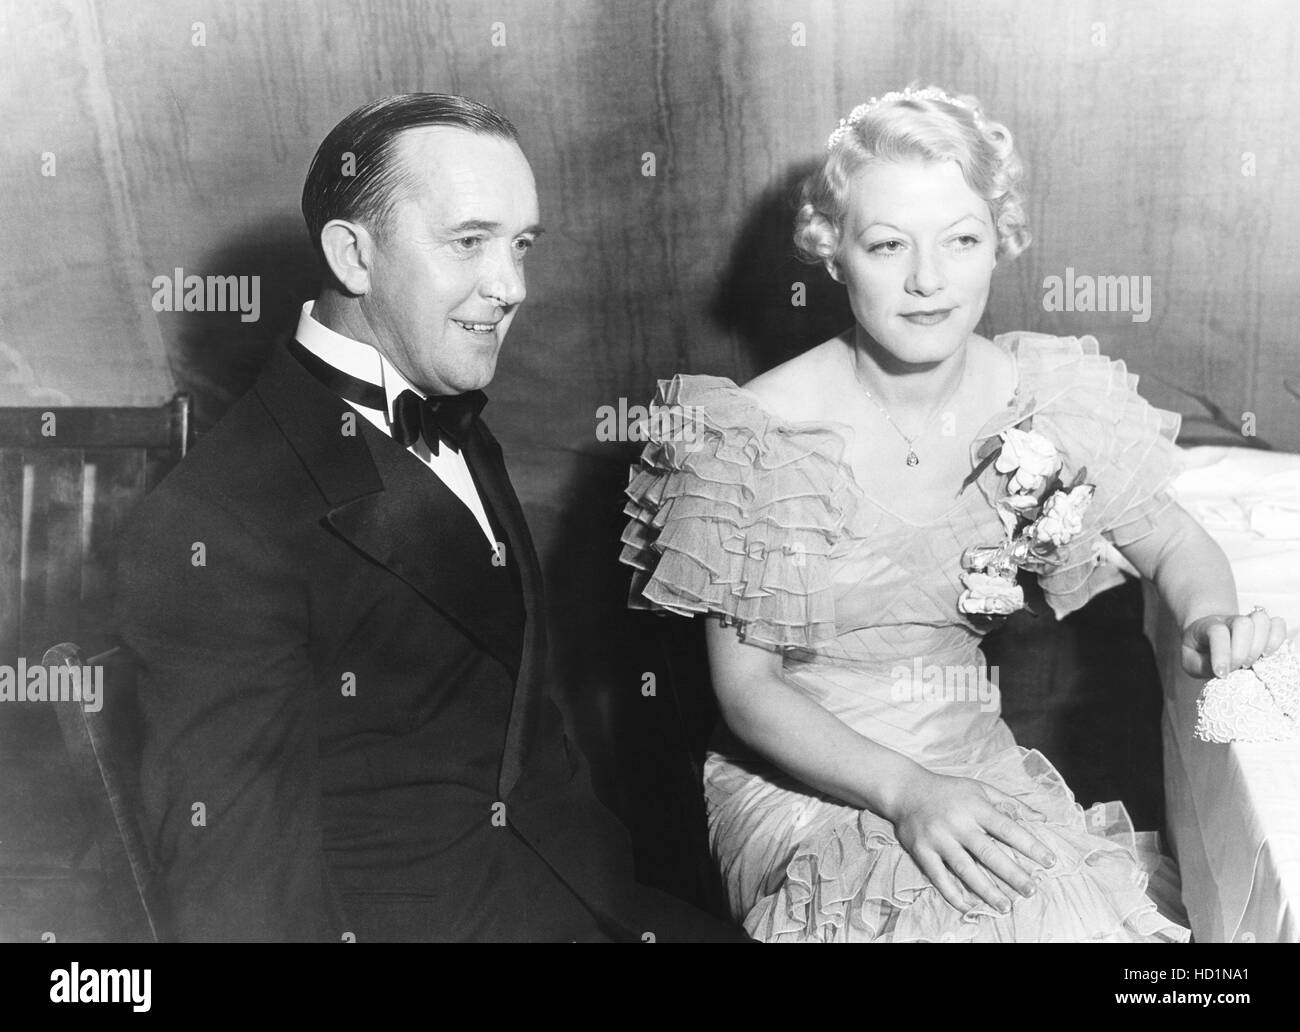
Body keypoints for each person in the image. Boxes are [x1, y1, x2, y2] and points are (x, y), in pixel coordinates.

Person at [622, 85, 1290, 942]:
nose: (928, 279)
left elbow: (1176, 546)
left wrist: (1209, 618)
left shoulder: (1043, 398)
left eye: (961, 239)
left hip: (969, 765)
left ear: (998, 243)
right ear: (834, 254)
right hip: (809, 786)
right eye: (888, 244)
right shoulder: (756, 432)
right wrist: (908, 795)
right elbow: (749, 694)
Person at [116, 93, 743, 942]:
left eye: (522, 245)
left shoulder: (451, 414)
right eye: (468, 242)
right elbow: (236, 886)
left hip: (577, 892)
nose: (511, 286)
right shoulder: (213, 523)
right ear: (352, 255)